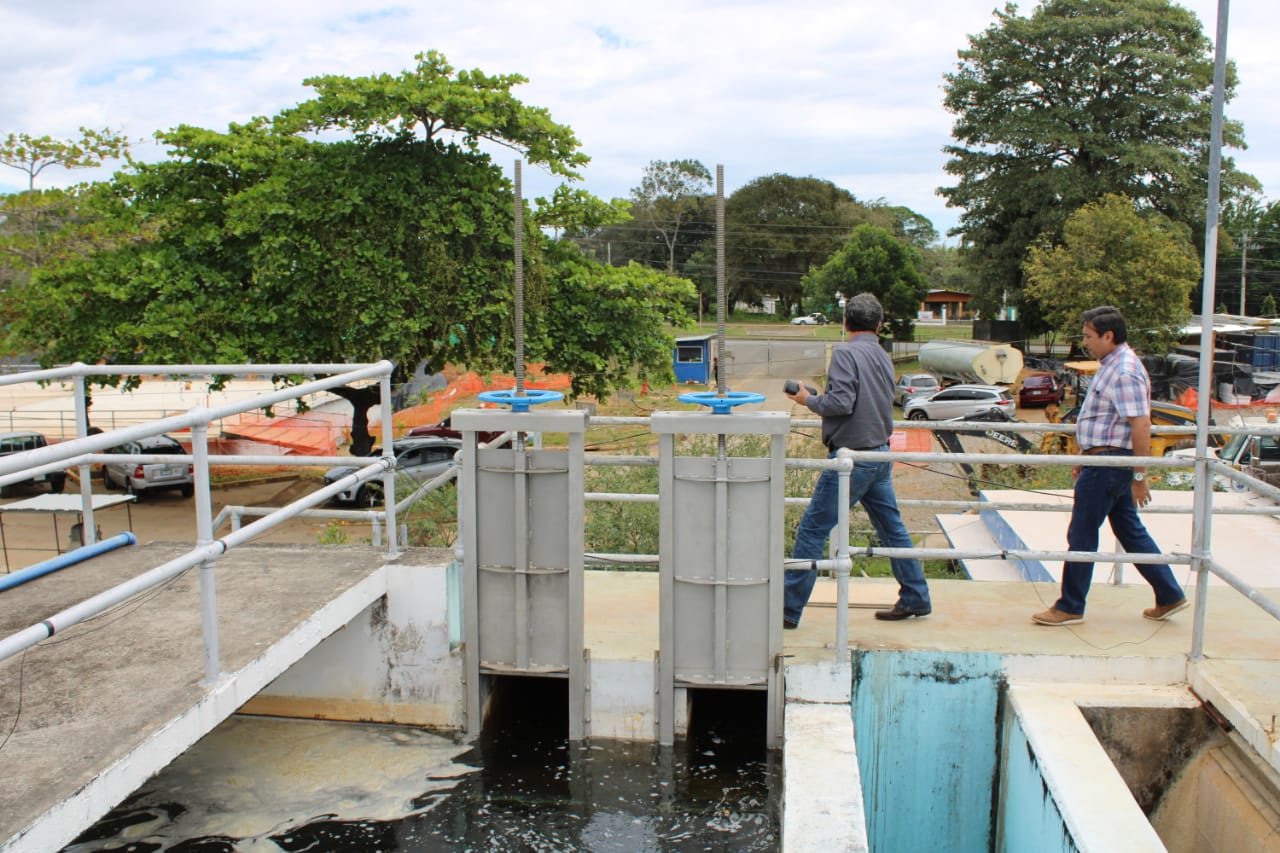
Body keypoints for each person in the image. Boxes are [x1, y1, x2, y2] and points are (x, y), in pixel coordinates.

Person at [1032, 306, 1188, 626]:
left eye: (1089, 336)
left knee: (1082, 534)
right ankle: (1169, 593)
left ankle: (1070, 606)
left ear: (1109, 335)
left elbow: (1140, 424)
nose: (1085, 342)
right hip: (1102, 461)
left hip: (1109, 465)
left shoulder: (1124, 370)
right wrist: (1086, 457)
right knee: (1131, 532)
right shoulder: (1111, 365)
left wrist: (1139, 475)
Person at [783, 292, 932, 626]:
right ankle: (916, 597)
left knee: (812, 530)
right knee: (892, 530)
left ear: (845, 323)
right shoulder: (882, 354)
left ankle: (787, 611)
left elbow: (841, 403)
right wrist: (822, 398)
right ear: (879, 325)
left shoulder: (845, 353)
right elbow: (856, 399)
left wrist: (809, 400)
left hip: (852, 459)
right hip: (879, 453)